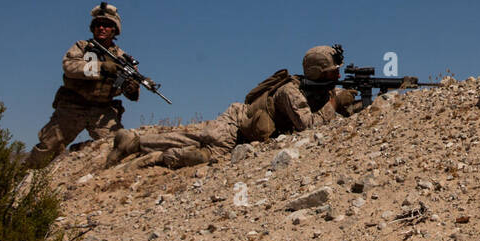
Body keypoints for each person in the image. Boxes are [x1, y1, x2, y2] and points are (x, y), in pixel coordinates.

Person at [107, 45, 354, 169]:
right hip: (235, 122)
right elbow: (307, 125)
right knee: (207, 151)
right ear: (317, 73)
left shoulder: (316, 88)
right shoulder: (291, 91)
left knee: (195, 138)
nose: (337, 74)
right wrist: (334, 103)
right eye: (333, 71)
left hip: (244, 130)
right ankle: (142, 149)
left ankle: (139, 143)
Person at [27, 2, 141, 169]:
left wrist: (130, 88)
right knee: (48, 147)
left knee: (117, 144)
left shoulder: (124, 59)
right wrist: (101, 68)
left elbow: (123, 88)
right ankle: (23, 178)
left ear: (114, 30)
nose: (101, 28)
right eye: (98, 25)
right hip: (73, 106)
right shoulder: (82, 47)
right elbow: (70, 67)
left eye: (107, 25)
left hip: (103, 111)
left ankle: (83, 153)